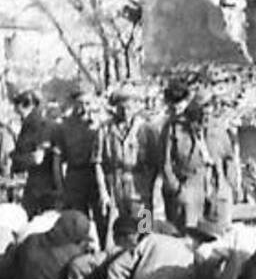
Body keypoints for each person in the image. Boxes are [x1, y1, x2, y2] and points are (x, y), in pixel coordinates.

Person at [161, 89, 239, 234]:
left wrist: (229, 184)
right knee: (186, 235)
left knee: (216, 235)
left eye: (208, 111)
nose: (205, 116)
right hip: (186, 187)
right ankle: (137, 247)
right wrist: (178, 190)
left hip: (215, 186)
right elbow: (164, 164)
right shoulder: (173, 128)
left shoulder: (217, 127)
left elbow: (229, 157)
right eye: (201, 112)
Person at [100, 86, 158, 236]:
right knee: (122, 231)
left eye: (129, 107)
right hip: (116, 187)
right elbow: (98, 163)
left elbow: (156, 163)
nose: (125, 112)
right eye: (121, 108)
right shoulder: (106, 130)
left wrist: (150, 187)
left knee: (144, 229)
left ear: (135, 107)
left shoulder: (146, 129)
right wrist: (103, 192)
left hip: (140, 187)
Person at [57, 87, 107, 234]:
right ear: (73, 103)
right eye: (81, 103)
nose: (84, 108)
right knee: (78, 221)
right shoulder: (65, 126)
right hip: (75, 176)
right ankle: (82, 253)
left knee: (103, 219)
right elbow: (58, 159)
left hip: (96, 176)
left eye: (88, 103)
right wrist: (61, 187)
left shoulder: (100, 125)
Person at [13, 90, 60, 216]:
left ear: (29, 106)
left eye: (20, 113)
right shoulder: (27, 128)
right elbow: (19, 157)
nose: (20, 117)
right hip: (34, 185)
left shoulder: (48, 127)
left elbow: (56, 159)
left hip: (46, 187)